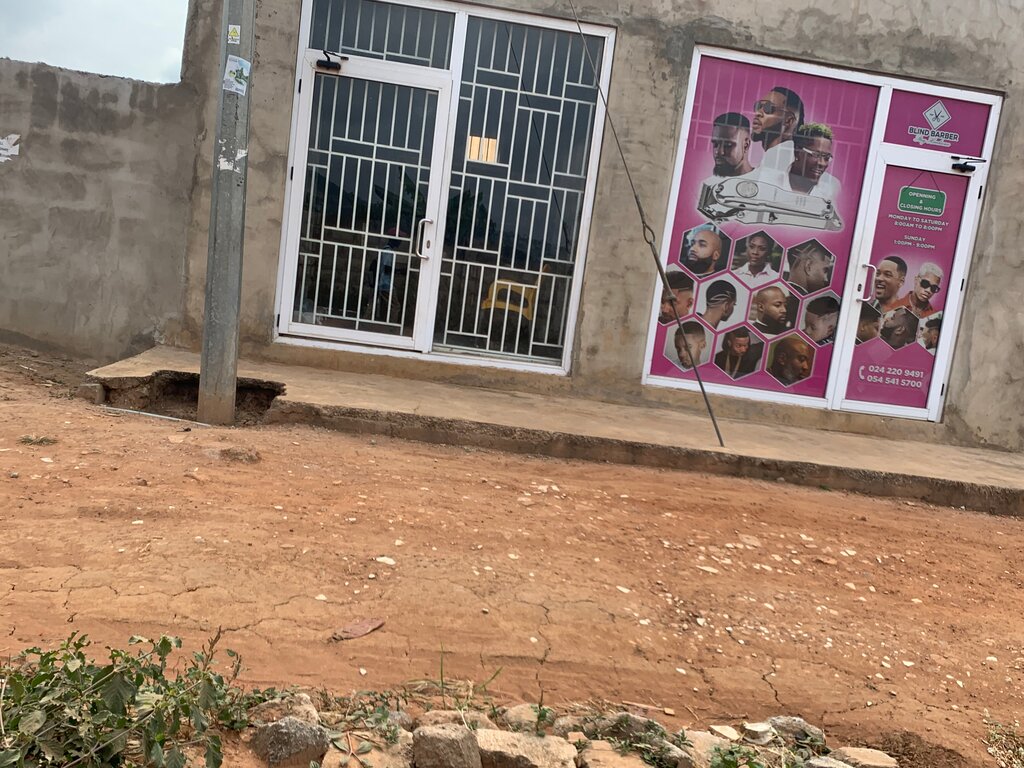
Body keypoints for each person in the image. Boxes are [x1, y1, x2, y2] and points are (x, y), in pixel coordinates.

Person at [752, 86, 804, 171]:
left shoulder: (778, 164)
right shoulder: (773, 160)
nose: (758, 113)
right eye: (758, 106)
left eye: (768, 108)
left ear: (788, 121)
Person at [788, 123, 841, 200]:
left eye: (826, 157)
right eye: (816, 155)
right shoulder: (769, 180)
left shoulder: (831, 188)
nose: (821, 163)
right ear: (797, 152)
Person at [703, 112, 755, 186]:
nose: (718, 152)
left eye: (728, 145)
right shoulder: (709, 186)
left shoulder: (764, 184)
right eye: (715, 144)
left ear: (745, 145)